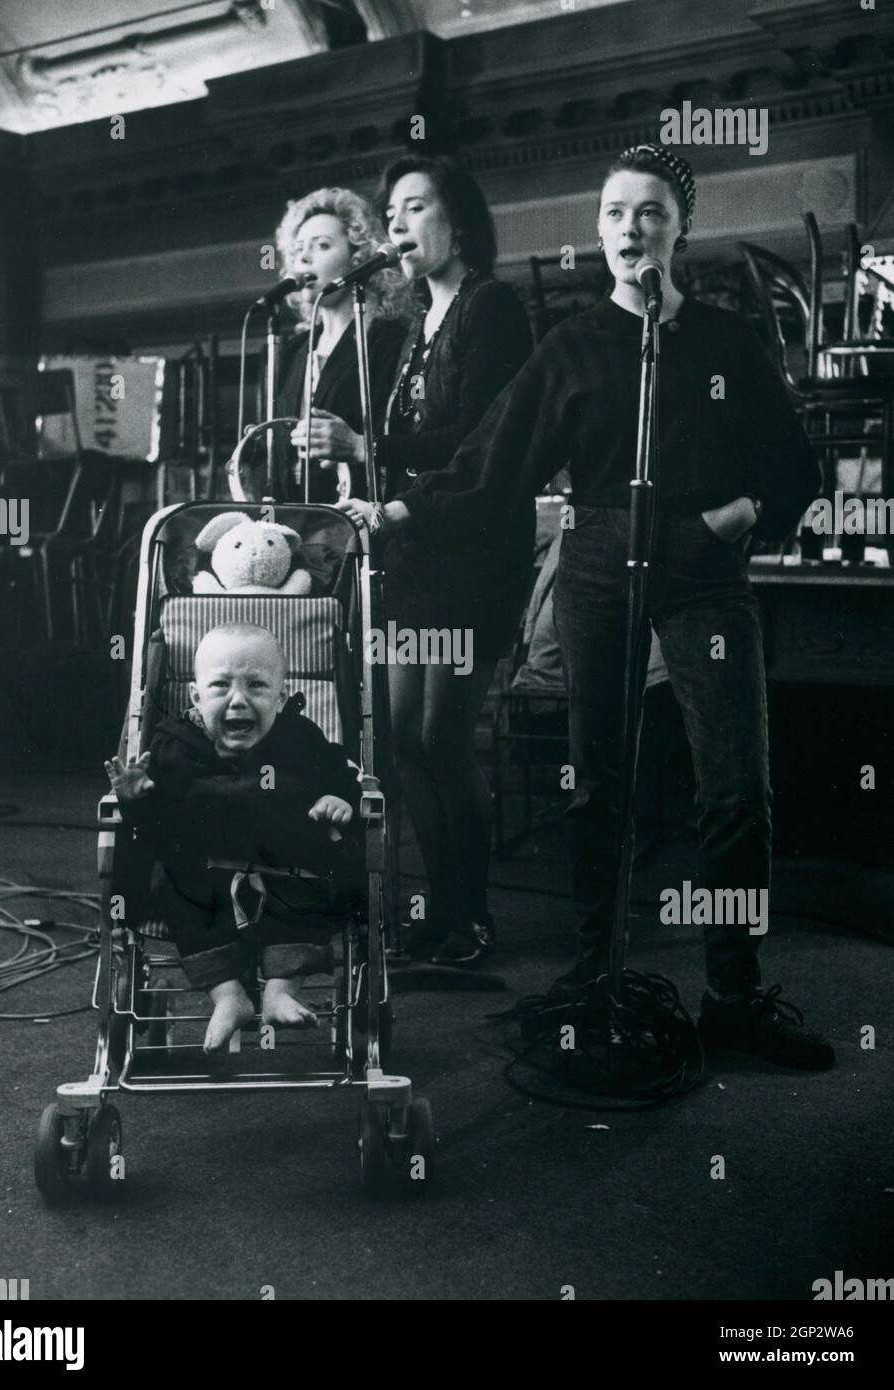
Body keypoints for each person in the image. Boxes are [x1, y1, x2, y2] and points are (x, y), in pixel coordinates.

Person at [368, 144, 833, 1069]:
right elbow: (494, 460)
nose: (632, 228)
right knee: (597, 785)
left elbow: (795, 469)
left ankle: (735, 995)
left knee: (734, 785)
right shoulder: (572, 345)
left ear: (679, 228)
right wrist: (398, 508)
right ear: (600, 231)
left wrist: (733, 516)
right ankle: (592, 976)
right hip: (594, 562)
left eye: (651, 212)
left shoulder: (723, 342)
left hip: (700, 571)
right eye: (616, 213)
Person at [331, 155, 534, 964]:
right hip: (413, 548)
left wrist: (369, 446)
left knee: (443, 736)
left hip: (470, 553)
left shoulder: (492, 308)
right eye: (392, 211)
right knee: (406, 740)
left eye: (416, 207)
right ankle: (439, 912)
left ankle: (471, 916)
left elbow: (484, 440)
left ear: (460, 220)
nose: (399, 225)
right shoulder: (417, 322)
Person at [105, 623, 361, 1054]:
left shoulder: (300, 739)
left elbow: (342, 774)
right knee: (181, 902)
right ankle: (229, 997)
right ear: (195, 698)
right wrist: (138, 800)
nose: (238, 699)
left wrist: (340, 798)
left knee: (311, 898)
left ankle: (280, 990)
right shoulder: (173, 747)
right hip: (203, 880)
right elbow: (151, 830)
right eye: (220, 685)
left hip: (289, 869)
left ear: (281, 698)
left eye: (257, 686)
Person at [271, 187, 406, 503]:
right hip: (293, 522)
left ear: (358, 257)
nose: (304, 257)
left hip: (358, 518)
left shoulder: (390, 340)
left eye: (322, 245)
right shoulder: (292, 351)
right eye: (299, 248)